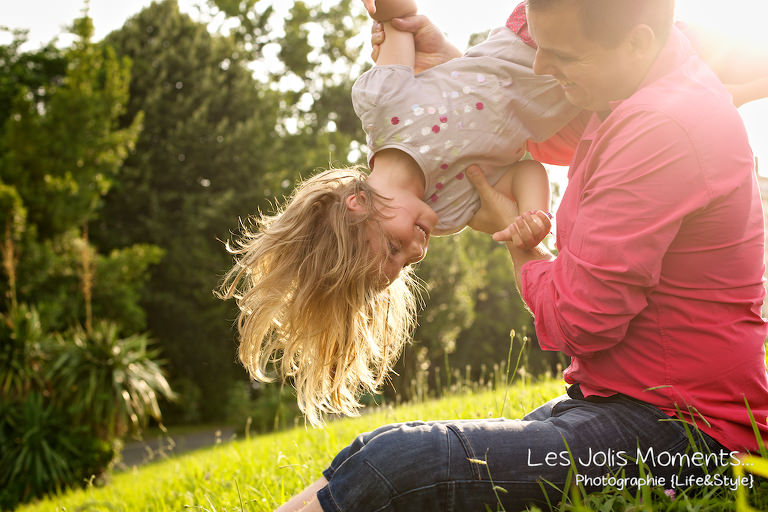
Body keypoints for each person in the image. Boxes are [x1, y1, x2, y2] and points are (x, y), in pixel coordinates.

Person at [275, 1, 768, 510]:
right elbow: (518, 119)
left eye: (559, 54)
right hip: (617, 405)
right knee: (381, 451)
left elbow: (582, 322)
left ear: (636, 43)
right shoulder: (627, 97)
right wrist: (456, 66)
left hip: (687, 439)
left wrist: (523, 249)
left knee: (405, 462)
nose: (539, 65)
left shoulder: (660, 125)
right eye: (538, 45)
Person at [218, 0, 579, 426]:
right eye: (404, 262)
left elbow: (399, 19)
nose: (415, 251)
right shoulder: (449, 213)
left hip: (542, 36)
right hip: (577, 104)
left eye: (392, 246)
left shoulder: (383, 105)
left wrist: (389, 13)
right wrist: (533, 216)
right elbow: (526, 172)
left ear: (356, 204)